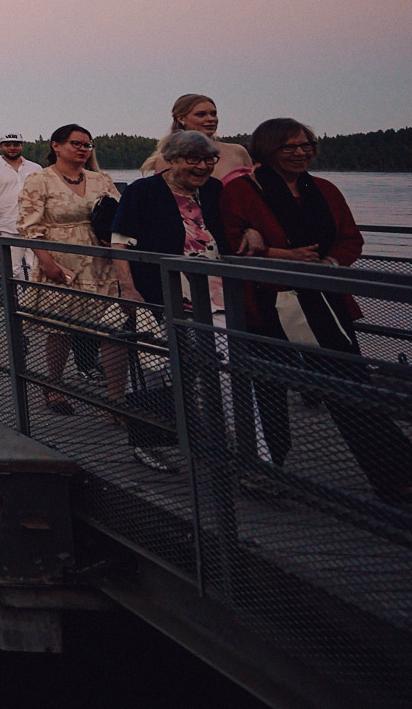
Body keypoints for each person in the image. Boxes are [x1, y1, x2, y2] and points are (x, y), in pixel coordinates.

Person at [218, 118, 412, 503]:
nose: (301, 152)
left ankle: (395, 476)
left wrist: (328, 266)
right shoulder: (240, 191)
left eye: (307, 145)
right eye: (289, 146)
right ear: (268, 149)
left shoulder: (325, 189)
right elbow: (229, 243)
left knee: (349, 384)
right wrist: (275, 253)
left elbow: (350, 239)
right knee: (268, 391)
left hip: (324, 302)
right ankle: (264, 470)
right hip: (266, 306)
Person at [108, 129, 231, 469]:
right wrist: (128, 288)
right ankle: (149, 443)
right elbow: (120, 241)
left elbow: (226, 230)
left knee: (223, 370)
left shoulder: (214, 190)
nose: (203, 166)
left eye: (209, 159)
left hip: (215, 294)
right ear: (171, 160)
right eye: (193, 159)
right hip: (159, 293)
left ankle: (238, 454)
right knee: (155, 371)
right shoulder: (143, 191)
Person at [17, 124, 123, 416]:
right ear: (56, 145)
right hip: (61, 264)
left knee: (111, 327)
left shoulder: (101, 179)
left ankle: (116, 401)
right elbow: (28, 226)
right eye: (76, 143)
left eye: (87, 145)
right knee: (61, 329)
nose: (83, 149)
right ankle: (54, 385)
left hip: (101, 264)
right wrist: (47, 263)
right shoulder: (40, 180)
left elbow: (119, 216)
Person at [0, 135, 42, 282]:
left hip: (34, 227)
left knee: (37, 268)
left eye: (16, 144)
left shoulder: (35, 168)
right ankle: (14, 297)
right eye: (8, 145)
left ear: (21, 146)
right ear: (1, 147)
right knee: (11, 271)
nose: (12, 148)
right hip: (5, 227)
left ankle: (32, 297)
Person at [142, 94, 253, 179]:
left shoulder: (237, 151)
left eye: (213, 114)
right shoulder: (168, 159)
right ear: (181, 119)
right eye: (201, 114)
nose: (210, 119)